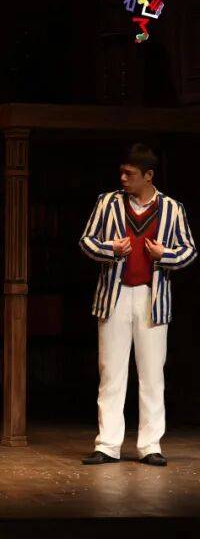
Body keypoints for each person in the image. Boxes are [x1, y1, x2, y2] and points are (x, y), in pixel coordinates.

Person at [79, 143, 195, 467]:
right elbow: (86, 241)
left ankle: (150, 444)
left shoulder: (171, 208)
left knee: (152, 374)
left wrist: (164, 255)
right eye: (122, 172)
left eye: (129, 173)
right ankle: (108, 444)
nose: (123, 178)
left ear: (148, 175)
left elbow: (189, 250)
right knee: (111, 373)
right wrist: (111, 249)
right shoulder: (107, 203)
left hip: (151, 298)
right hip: (115, 296)